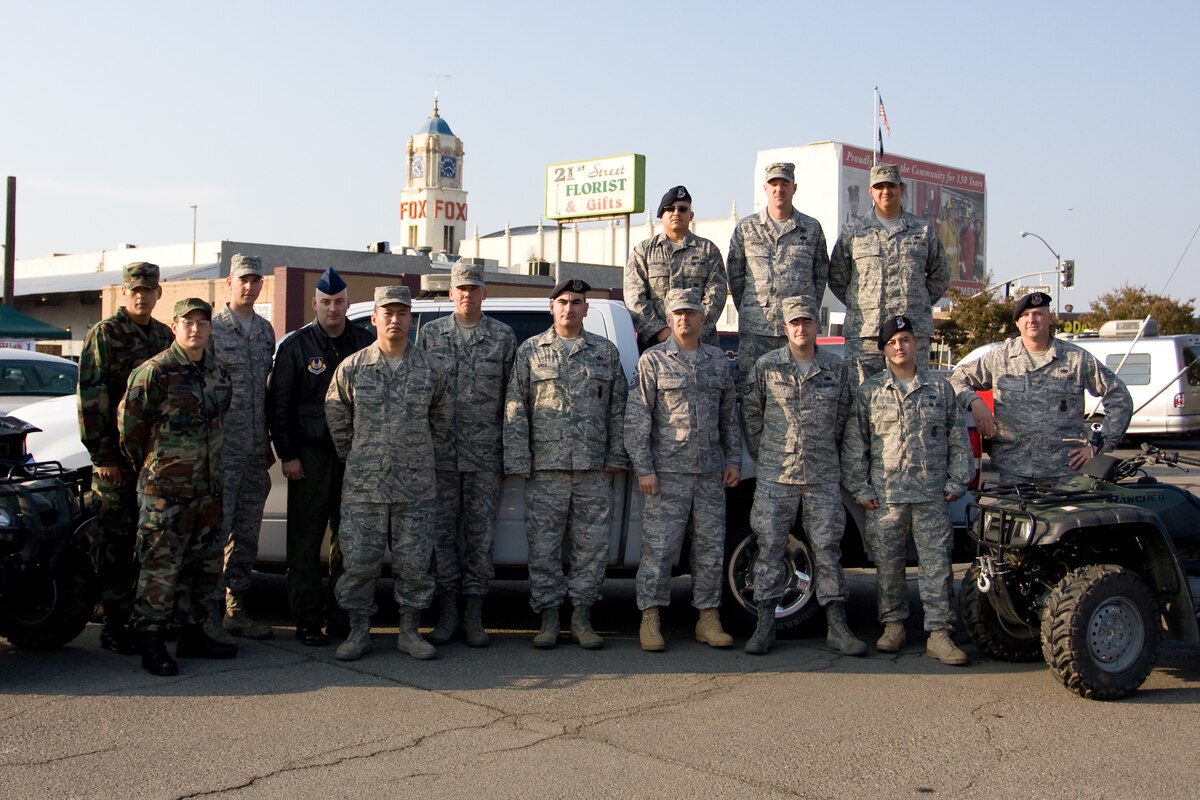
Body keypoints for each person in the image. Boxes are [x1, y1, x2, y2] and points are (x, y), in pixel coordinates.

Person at [325, 285, 451, 661]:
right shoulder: (353, 368)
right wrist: (358, 455)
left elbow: (442, 420)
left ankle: (409, 631)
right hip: (365, 488)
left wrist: (417, 455)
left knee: (414, 564)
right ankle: (359, 631)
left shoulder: (431, 369)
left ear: (411, 320)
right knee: (359, 562)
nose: (394, 320)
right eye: (387, 313)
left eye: (402, 313)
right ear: (374, 318)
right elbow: (337, 416)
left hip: (415, 488)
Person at [504, 278, 629, 649]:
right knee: (544, 548)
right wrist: (518, 458)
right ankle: (548, 617)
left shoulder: (605, 352)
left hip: (593, 469)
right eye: (563, 302)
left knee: (591, 548)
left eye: (576, 302)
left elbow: (619, 407)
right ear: (552, 307)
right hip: (546, 470)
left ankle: (582, 617)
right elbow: (515, 406)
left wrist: (617, 455)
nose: (569, 308)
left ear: (586, 309)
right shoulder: (531, 351)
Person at [841, 315, 973, 666]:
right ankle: (893, 626)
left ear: (916, 343)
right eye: (891, 343)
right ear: (884, 350)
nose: (898, 347)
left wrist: (957, 481)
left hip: (931, 495)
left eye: (904, 340)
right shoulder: (870, 392)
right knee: (888, 565)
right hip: (886, 497)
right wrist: (860, 488)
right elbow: (855, 445)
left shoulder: (940, 389)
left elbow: (958, 439)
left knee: (937, 565)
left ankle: (940, 634)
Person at [741, 295, 865, 657]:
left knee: (827, 550)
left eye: (807, 321)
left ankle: (837, 626)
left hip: (822, 476)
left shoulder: (836, 369)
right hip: (776, 475)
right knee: (769, 548)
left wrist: (826, 451)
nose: (801, 328)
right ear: (785, 328)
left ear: (817, 326)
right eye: (794, 322)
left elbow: (845, 419)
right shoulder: (767, 366)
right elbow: (752, 414)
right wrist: (768, 453)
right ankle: (765, 624)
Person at [119, 298, 235, 676]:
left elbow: (220, 420)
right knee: (160, 568)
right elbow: (130, 430)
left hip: (207, 489)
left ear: (210, 328)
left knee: (203, 565)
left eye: (202, 322)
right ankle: (151, 640)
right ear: (174, 327)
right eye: (188, 322)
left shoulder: (218, 372)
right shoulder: (154, 372)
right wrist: (157, 467)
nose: (195, 329)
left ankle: (193, 633)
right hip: (165, 491)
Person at [624, 288, 740, 652]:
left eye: (691, 312)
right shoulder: (653, 361)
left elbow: (729, 416)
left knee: (709, 549)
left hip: (709, 475)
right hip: (666, 475)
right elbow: (637, 419)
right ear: (669, 319)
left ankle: (708, 618)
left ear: (703, 319)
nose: (684, 318)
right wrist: (644, 468)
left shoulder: (717, 361)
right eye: (678, 313)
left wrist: (733, 460)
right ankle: (650, 617)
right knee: (658, 550)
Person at [267, 267, 373, 647]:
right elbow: (279, 407)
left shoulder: (365, 342)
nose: (332, 308)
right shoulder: (296, 347)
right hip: (310, 459)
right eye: (326, 302)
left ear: (347, 304)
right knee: (305, 542)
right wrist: (288, 455)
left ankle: (340, 617)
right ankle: (307, 618)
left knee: (349, 542)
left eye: (339, 302)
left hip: (353, 459)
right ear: (314, 303)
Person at [415, 262, 516, 647]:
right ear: (451, 293)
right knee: (440, 537)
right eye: (461, 288)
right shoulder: (431, 334)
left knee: (480, 538)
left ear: (483, 293)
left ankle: (474, 614)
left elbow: (513, 399)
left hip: (485, 458)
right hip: (440, 456)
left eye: (474, 288)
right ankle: (447, 612)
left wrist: (511, 454)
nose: (467, 295)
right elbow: (420, 393)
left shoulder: (502, 337)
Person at [77, 261, 174, 656]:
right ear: (124, 292)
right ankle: (114, 624)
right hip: (116, 459)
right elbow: (91, 397)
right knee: (116, 541)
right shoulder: (105, 334)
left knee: (149, 539)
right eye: (135, 290)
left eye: (147, 290)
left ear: (157, 293)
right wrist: (102, 455)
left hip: (152, 458)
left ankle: (142, 618)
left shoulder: (164, 335)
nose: (141, 296)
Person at [949, 291, 1133, 485]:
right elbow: (955, 380)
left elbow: (1120, 397)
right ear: (1017, 323)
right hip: (1013, 471)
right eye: (1025, 315)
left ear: (1049, 318)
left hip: (1064, 471)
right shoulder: (999, 358)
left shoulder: (1076, 358)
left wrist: (1099, 445)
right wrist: (975, 402)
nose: (1031, 319)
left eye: (1038, 313)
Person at [206, 254, 277, 643]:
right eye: (243, 280)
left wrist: (266, 441)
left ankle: (237, 608)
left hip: (254, 451)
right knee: (218, 532)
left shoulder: (265, 331)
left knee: (247, 534)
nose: (249, 287)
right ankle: (210, 612)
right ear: (229, 283)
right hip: (223, 450)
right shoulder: (213, 329)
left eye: (255, 280)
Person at [829, 163, 951, 382]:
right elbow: (837, 276)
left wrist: (916, 302)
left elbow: (940, 274)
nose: (886, 191)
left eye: (891, 186)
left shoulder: (922, 230)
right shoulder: (853, 232)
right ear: (871, 191)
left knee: (913, 392)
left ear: (901, 188)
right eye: (879, 186)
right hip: (865, 333)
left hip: (911, 332)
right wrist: (862, 302)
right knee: (862, 395)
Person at [727, 162, 830, 393]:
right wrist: (752, 309)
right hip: (756, 330)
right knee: (752, 394)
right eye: (773, 184)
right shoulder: (746, 228)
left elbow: (820, 275)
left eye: (784, 183)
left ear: (794, 188)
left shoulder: (811, 228)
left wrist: (804, 313)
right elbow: (735, 276)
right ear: (765, 188)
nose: (779, 189)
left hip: (797, 331)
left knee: (799, 392)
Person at [624, 185, 728, 349]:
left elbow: (717, 294)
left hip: (700, 345)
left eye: (682, 209)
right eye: (670, 209)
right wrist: (659, 331)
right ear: (661, 215)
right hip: (656, 345)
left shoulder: (708, 251)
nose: (676, 213)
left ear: (691, 215)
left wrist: (694, 331)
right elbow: (634, 296)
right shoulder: (643, 252)